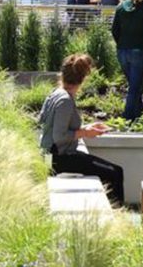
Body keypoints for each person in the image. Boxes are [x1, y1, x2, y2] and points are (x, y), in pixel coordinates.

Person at [39, 54, 124, 206]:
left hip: (49, 156)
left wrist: (87, 128)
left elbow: (48, 124)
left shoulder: (55, 94)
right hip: (59, 158)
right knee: (115, 173)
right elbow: (59, 136)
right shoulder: (65, 100)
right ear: (83, 79)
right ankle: (118, 220)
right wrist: (85, 133)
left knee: (113, 172)